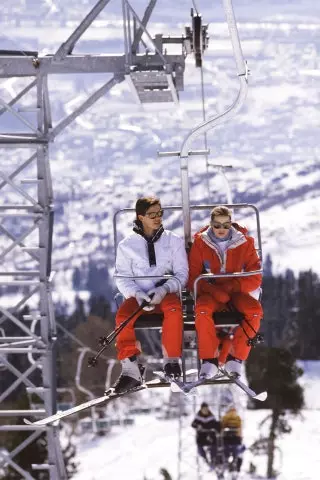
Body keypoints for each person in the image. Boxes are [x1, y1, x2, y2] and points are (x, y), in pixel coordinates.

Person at [113, 196, 188, 393]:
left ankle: (172, 362)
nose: (157, 218)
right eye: (152, 214)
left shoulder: (173, 241)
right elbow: (121, 278)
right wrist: (136, 293)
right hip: (138, 297)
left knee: (174, 308)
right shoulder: (126, 246)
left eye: (160, 213)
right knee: (123, 317)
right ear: (140, 217)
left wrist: (164, 289)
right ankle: (131, 370)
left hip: (166, 295)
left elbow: (182, 274)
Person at [187, 205, 263, 379]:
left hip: (235, 292)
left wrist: (232, 287)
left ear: (231, 224)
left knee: (255, 311)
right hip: (210, 293)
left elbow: (255, 277)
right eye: (217, 225)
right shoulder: (201, 243)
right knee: (202, 309)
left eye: (226, 225)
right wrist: (213, 290)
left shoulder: (244, 242)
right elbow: (193, 277)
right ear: (211, 224)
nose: (221, 229)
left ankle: (235, 358)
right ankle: (209, 360)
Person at [191, 402, 221, 467]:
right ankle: (205, 459)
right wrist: (197, 426)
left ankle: (213, 460)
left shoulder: (211, 416)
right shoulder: (198, 417)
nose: (205, 410)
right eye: (204, 409)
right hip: (201, 435)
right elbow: (193, 424)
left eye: (206, 408)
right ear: (201, 409)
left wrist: (217, 429)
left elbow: (216, 425)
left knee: (214, 446)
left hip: (210, 435)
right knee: (200, 448)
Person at [221, 407, 244, 472]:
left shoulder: (236, 418)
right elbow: (223, 427)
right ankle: (231, 465)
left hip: (232, 439)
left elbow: (240, 429)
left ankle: (232, 465)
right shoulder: (235, 418)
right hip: (229, 439)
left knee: (234, 453)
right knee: (234, 454)